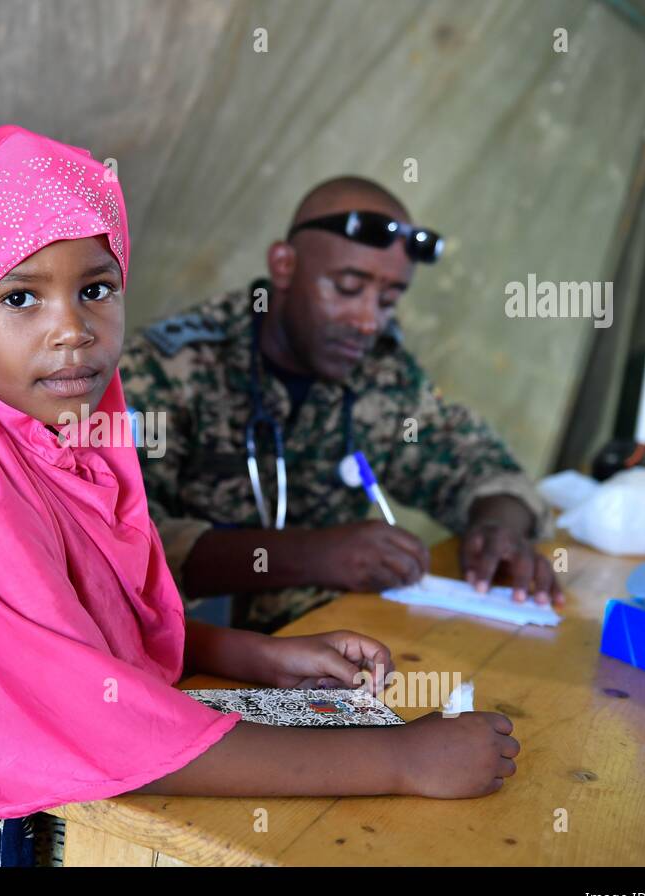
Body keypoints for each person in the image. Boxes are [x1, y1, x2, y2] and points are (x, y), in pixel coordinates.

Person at [0, 127, 520, 868]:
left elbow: (104, 636)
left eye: (96, 289)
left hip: (83, 810)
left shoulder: (75, 452)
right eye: (20, 296)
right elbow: (101, 724)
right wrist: (399, 760)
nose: (73, 332)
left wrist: (256, 656)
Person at [119, 176, 560, 634]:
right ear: (284, 266)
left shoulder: (380, 371)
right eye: (348, 288)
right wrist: (314, 555)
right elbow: (123, 544)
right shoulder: (169, 368)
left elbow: (472, 461)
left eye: (389, 300)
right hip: (188, 658)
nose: (369, 321)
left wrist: (499, 526)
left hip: (335, 646)